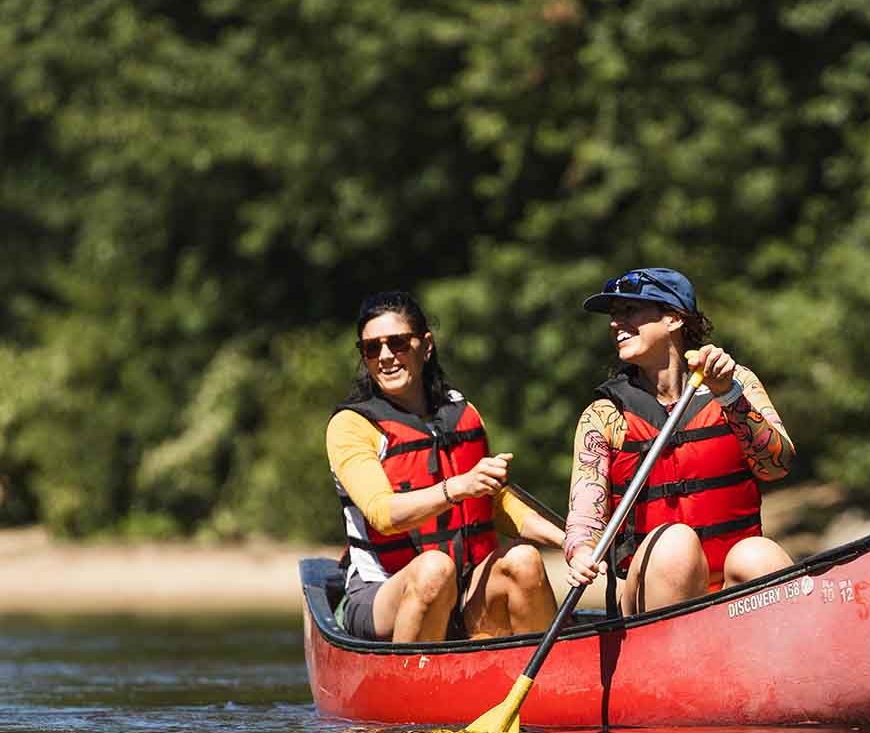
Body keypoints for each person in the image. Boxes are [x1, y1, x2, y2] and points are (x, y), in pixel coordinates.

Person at [327, 291, 565, 642]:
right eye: (371, 348)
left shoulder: (462, 414)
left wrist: (569, 541)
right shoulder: (351, 425)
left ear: (425, 346)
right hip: (383, 593)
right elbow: (382, 514)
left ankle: (547, 686)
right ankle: (408, 688)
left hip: (466, 587)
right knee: (434, 569)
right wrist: (455, 488)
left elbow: (492, 503)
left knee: (524, 559)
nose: (386, 356)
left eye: (397, 343)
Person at [563, 267, 796, 614]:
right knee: (675, 544)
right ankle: (669, 660)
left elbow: (777, 467)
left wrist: (728, 396)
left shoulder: (736, 383)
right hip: (651, 591)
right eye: (614, 315)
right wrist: (582, 551)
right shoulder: (603, 416)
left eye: (630, 311)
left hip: (731, 588)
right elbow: (585, 517)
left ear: (673, 319)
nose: (615, 323)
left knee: (758, 554)